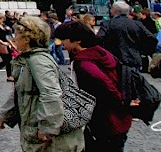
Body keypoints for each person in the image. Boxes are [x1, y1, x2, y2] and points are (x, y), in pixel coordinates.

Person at [0, 14, 85, 152]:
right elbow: (20, 91)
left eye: (17, 34)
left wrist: (48, 127)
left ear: (27, 38)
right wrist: (5, 115)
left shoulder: (38, 61)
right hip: (35, 125)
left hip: (46, 135)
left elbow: (51, 93)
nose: (14, 39)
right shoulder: (28, 60)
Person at [56, 21, 132, 152]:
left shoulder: (84, 63)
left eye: (64, 39)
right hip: (119, 118)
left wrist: (121, 100)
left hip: (104, 120)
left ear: (77, 41)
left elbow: (104, 83)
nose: (62, 43)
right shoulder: (101, 53)